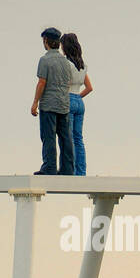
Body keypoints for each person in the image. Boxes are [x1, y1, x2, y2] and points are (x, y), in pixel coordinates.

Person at [31, 27, 76, 175]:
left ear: (46, 41)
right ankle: (68, 168)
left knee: (48, 137)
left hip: (49, 105)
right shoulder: (65, 61)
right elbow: (68, 82)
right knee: (65, 137)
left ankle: (49, 167)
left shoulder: (44, 60)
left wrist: (35, 102)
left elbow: (42, 82)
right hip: (64, 104)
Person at [60, 32, 92, 176]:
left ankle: (70, 169)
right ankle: (81, 171)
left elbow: (65, 85)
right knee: (79, 138)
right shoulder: (82, 65)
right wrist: (77, 97)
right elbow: (89, 88)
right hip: (79, 101)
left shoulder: (66, 64)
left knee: (69, 137)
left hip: (68, 99)